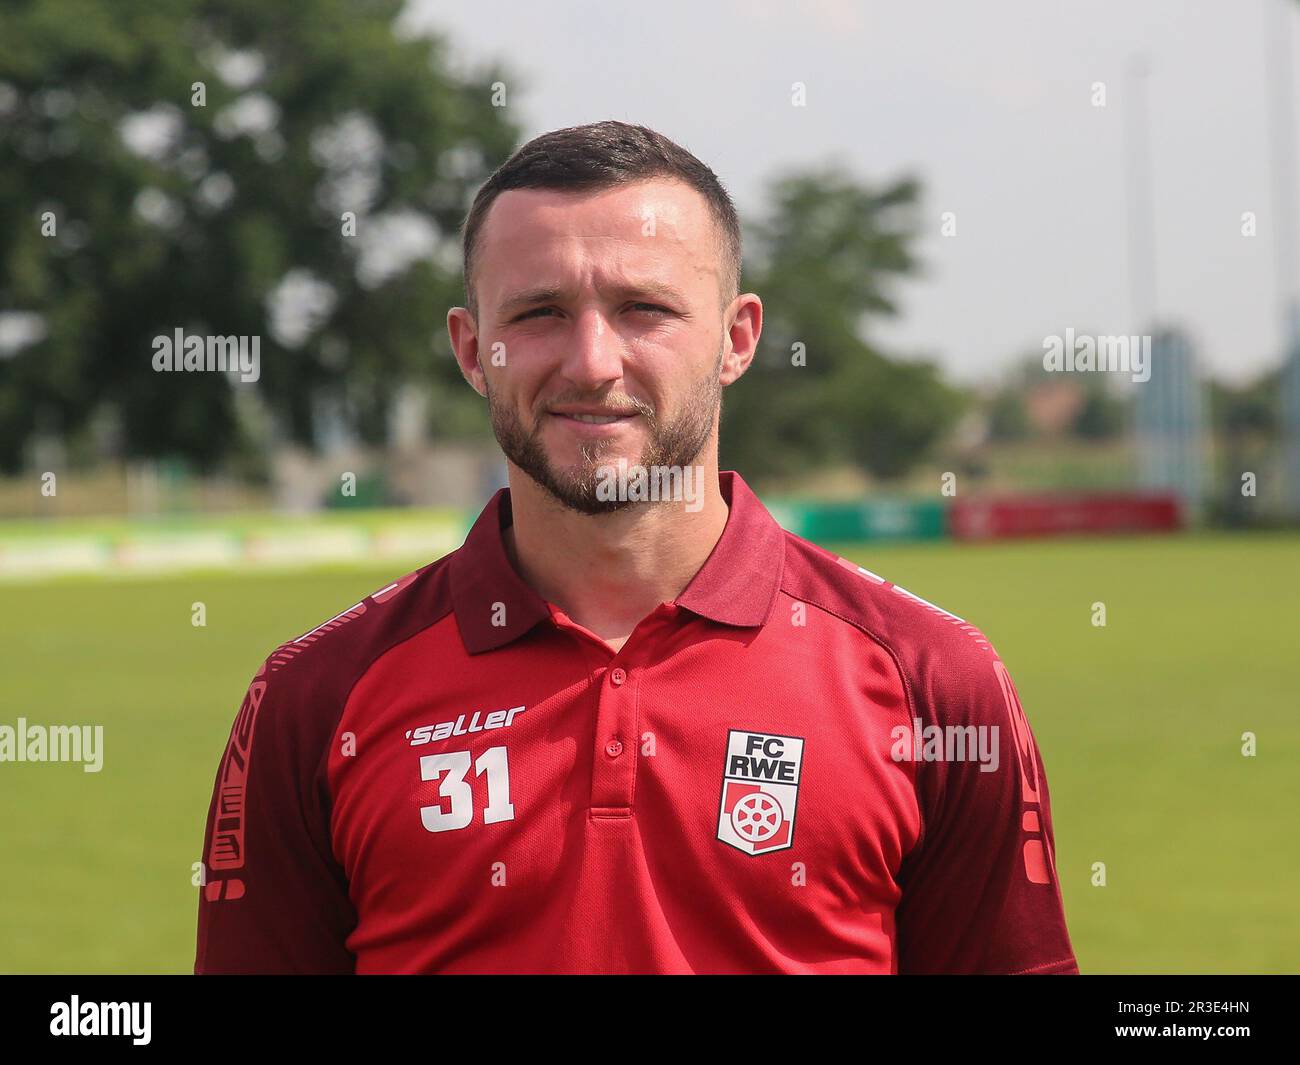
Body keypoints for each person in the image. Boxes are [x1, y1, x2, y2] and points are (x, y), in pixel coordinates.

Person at [194, 120, 1077, 974]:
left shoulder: (934, 680)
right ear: (472, 350)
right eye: (539, 312)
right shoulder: (314, 698)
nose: (591, 361)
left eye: (643, 308)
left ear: (737, 339)